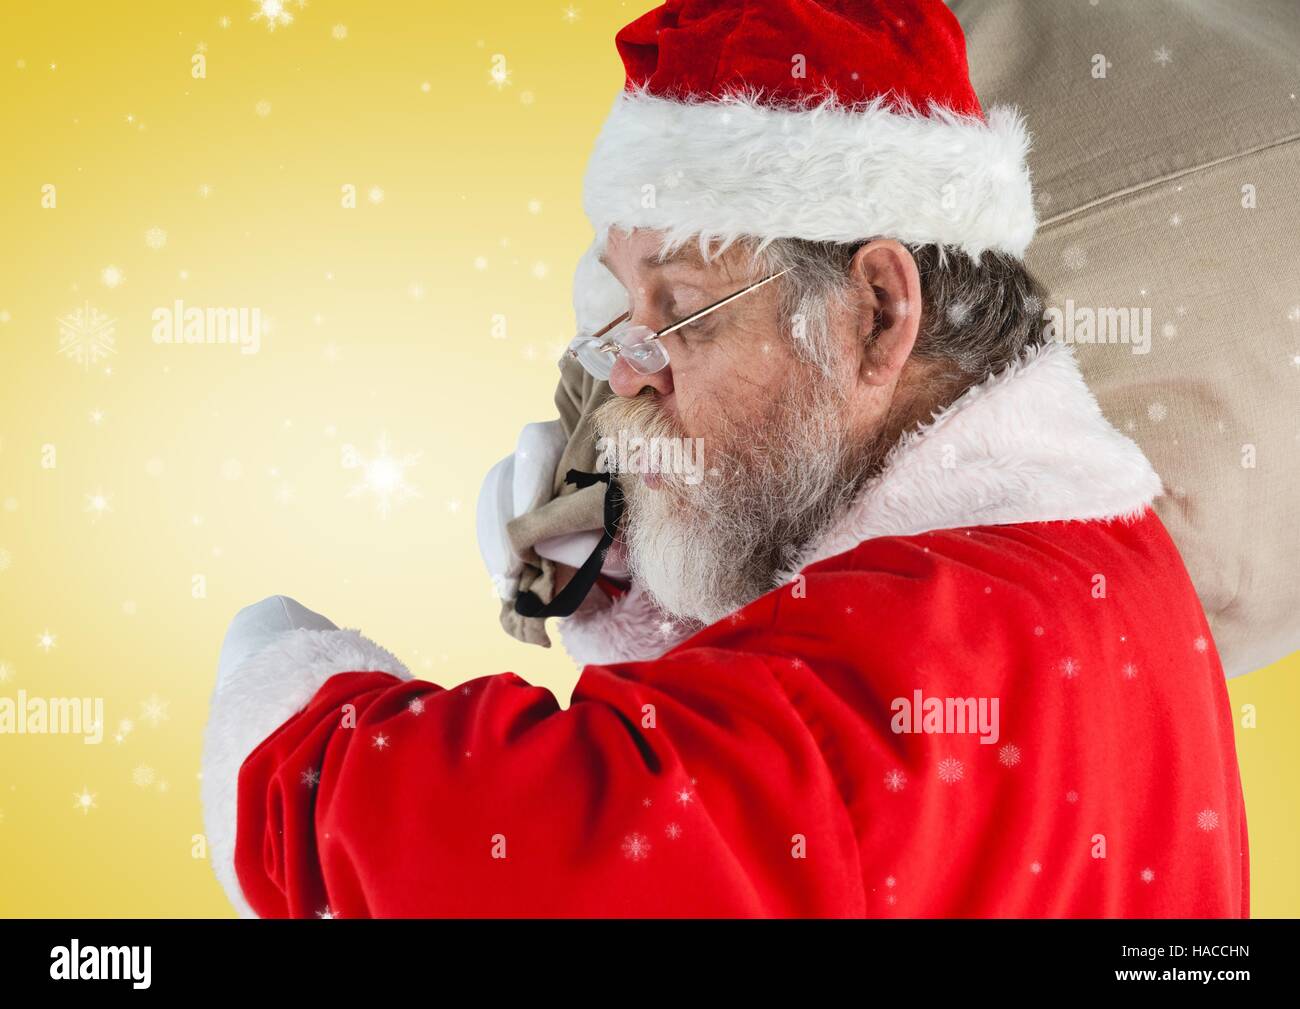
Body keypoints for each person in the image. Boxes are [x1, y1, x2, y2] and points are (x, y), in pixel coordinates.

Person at [202, 0, 1247, 918]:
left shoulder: (887, 678)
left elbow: (524, 854)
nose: (625, 375)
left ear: (877, 312)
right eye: (620, 307)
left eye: (685, 310)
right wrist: (659, 584)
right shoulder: (1107, 556)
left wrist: (295, 725)